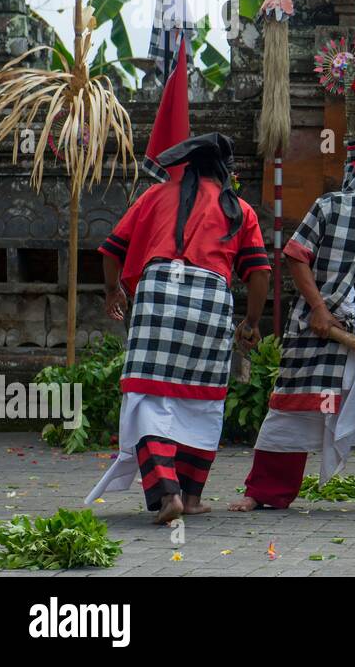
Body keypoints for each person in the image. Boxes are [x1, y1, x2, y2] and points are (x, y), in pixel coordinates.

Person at [230, 137, 355, 510]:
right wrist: (319, 308)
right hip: (316, 330)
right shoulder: (330, 207)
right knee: (292, 407)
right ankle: (264, 492)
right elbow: (297, 256)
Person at [87, 133, 269, 523]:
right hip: (210, 298)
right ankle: (191, 495)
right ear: (224, 172)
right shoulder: (239, 209)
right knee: (203, 399)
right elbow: (259, 273)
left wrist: (112, 291)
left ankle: (166, 491)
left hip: (157, 295)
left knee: (149, 395)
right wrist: (251, 323)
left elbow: (111, 248)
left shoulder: (155, 195)